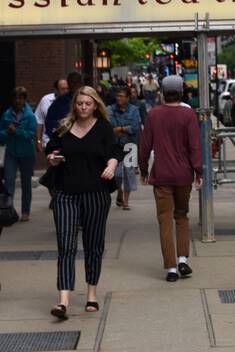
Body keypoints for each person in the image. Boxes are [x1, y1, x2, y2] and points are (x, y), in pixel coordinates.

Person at [43, 86, 122, 319]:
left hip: (95, 193)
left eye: (88, 104)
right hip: (66, 194)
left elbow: (115, 150)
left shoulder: (103, 128)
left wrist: (111, 165)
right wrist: (52, 158)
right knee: (65, 245)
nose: (83, 107)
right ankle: (63, 301)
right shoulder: (65, 127)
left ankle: (91, 293)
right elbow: (51, 149)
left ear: (95, 104)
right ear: (74, 105)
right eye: (80, 104)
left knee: (93, 245)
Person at [137, 75, 202, 282]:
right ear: (181, 92)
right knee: (182, 216)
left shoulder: (154, 115)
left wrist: (144, 169)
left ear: (162, 93)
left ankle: (171, 268)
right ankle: (183, 258)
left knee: (165, 220)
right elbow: (194, 146)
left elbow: (145, 145)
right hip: (183, 174)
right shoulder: (188, 115)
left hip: (162, 174)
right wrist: (198, 171)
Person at [1, 87, 38, 222]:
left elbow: (30, 135)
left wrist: (16, 131)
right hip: (11, 152)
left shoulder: (30, 116)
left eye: (20, 98)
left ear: (24, 99)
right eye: (15, 98)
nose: (17, 101)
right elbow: (1, 134)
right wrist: (7, 133)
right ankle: (8, 211)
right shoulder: (6, 115)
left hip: (27, 153)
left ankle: (25, 211)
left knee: (25, 183)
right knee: (9, 181)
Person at [107, 87, 142, 211]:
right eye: (118, 96)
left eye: (122, 96)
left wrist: (120, 129)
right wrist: (124, 128)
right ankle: (119, 191)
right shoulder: (110, 109)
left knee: (129, 174)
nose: (119, 98)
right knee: (115, 174)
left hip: (130, 145)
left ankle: (126, 201)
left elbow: (135, 127)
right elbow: (109, 126)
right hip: (114, 146)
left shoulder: (134, 110)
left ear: (128, 98)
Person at [44, 71, 82, 142]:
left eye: (76, 82)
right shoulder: (59, 102)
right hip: (64, 141)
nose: (74, 85)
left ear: (81, 83)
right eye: (72, 82)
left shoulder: (88, 99)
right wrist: (57, 139)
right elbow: (50, 123)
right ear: (68, 83)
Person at [34, 77, 68, 154]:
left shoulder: (73, 100)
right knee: (52, 164)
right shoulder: (45, 100)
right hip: (49, 142)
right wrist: (38, 141)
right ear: (56, 90)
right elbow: (39, 121)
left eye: (67, 89)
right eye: (63, 89)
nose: (66, 91)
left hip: (68, 142)